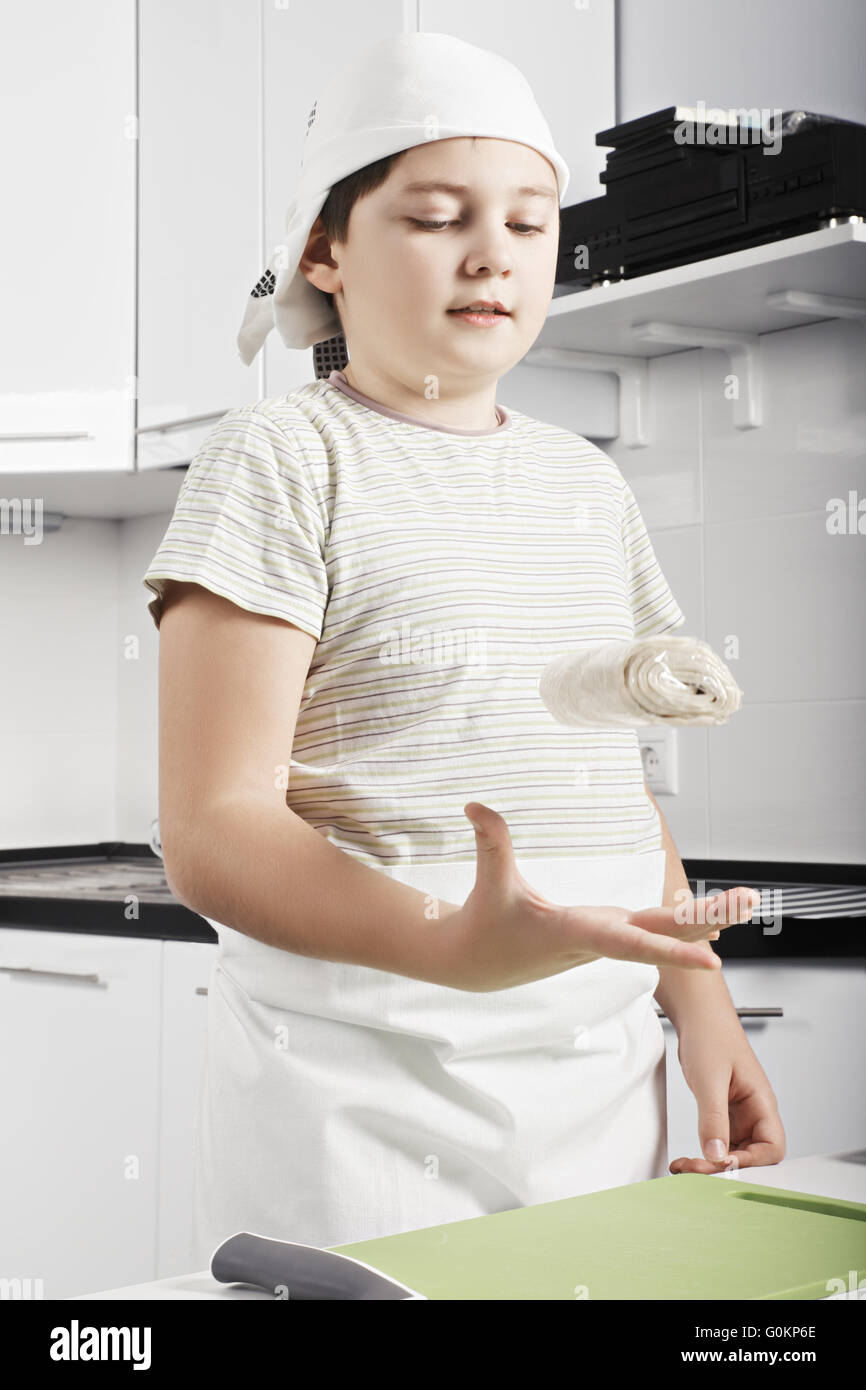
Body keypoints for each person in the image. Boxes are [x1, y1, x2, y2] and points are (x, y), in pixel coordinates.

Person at [142, 32, 784, 1263]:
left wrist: (694, 995)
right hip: (363, 1109)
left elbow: (610, 778)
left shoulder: (584, 486)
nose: (493, 251)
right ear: (325, 250)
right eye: (437, 216)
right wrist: (446, 939)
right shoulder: (281, 461)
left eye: (530, 222)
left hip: (601, 1095)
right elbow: (215, 824)